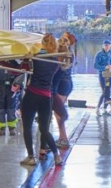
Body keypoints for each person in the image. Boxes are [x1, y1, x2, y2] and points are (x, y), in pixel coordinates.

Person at [19, 34, 60, 167]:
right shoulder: (56, 61)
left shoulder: (36, 57)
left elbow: (24, 64)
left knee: (27, 127)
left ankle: (31, 157)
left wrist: (27, 57)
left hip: (32, 94)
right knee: (44, 129)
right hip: (46, 97)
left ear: (42, 43)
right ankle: (56, 155)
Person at [52, 32, 75, 149]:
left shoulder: (61, 54)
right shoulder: (70, 53)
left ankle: (64, 138)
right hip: (68, 82)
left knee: (58, 113)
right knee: (58, 112)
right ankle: (62, 137)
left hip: (61, 84)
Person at [94, 42, 111, 111]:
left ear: (110, 46)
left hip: (109, 75)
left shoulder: (110, 53)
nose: (107, 47)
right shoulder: (99, 54)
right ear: (103, 46)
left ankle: (105, 107)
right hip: (102, 75)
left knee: (108, 91)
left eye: (108, 45)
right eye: (106, 45)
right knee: (104, 91)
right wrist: (105, 67)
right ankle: (98, 106)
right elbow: (95, 65)